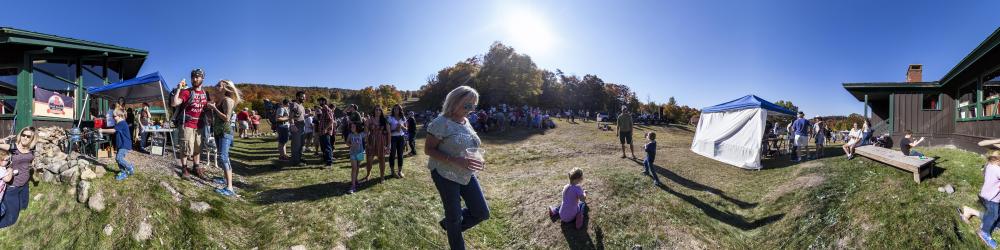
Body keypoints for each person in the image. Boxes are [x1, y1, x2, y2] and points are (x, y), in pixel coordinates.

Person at [425, 86, 489, 250]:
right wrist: (455, 160)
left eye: (474, 106)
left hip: (466, 173)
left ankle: (450, 225)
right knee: (455, 217)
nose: (471, 110)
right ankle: (455, 235)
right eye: (467, 105)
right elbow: (428, 150)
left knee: (481, 212)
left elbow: (471, 145)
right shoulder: (441, 123)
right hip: (444, 173)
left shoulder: (466, 121)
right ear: (454, 101)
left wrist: (478, 159)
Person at [171, 69, 210, 179]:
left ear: (203, 78)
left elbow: (207, 108)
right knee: (185, 147)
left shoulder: (205, 93)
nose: (195, 79)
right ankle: (184, 168)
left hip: (200, 125)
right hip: (187, 124)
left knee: (197, 147)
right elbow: (174, 103)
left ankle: (196, 167)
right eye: (193, 77)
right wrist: (179, 89)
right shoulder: (187, 92)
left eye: (197, 77)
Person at [205, 79, 241, 197]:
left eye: (219, 85)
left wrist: (214, 108)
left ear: (226, 88)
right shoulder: (220, 100)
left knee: (224, 157)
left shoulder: (227, 100)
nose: (216, 86)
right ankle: (225, 179)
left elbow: (227, 118)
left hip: (225, 132)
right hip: (218, 132)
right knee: (222, 157)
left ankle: (229, 188)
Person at [0, 127, 35, 228]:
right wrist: (2, 140)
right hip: (12, 187)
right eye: (23, 135)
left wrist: (33, 166)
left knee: (23, 208)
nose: (25, 138)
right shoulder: (12, 147)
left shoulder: (32, 149)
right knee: (11, 220)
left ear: (32, 139)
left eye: (28, 136)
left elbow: (30, 160)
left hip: (25, 185)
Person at [98, 109, 135, 181]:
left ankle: (130, 167)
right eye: (112, 116)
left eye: (114, 116)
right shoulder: (118, 124)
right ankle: (123, 172)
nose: (112, 117)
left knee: (119, 158)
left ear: (120, 116)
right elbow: (113, 130)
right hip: (121, 144)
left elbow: (113, 130)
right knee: (118, 159)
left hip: (125, 145)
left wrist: (102, 130)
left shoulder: (122, 123)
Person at [979, 156, 1000, 248]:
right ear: (997, 160)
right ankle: (984, 232)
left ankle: (995, 225)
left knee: (995, 213)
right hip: (993, 198)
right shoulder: (997, 169)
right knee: (993, 215)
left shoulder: (990, 166)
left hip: (989, 195)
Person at [364, 105, 390, 180]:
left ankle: (382, 176)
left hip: (381, 141)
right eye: (376, 109)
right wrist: (367, 143)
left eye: (379, 110)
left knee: (381, 159)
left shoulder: (384, 120)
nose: (378, 111)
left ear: (381, 111)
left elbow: (388, 133)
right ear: (374, 111)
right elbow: (366, 133)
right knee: (369, 160)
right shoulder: (369, 120)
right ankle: (368, 173)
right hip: (371, 141)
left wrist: (388, 145)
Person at [388, 104, 408, 178]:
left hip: (401, 138)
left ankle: (400, 171)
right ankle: (392, 171)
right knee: (392, 155)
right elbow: (388, 131)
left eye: (398, 109)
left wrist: (402, 126)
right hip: (393, 138)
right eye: (395, 109)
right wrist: (395, 129)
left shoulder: (403, 118)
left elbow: (406, 129)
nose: (396, 110)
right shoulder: (390, 118)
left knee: (400, 154)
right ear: (393, 110)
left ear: (400, 110)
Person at [315, 98, 336, 167]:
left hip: (326, 132)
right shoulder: (322, 110)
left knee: (327, 147)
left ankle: (329, 162)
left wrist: (325, 129)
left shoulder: (327, 109)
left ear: (324, 102)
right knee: (323, 147)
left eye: (320, 101)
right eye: (319, 101)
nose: (319, 102)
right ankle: (325, 160)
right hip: (322, 132)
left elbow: (331, 121)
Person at [347, 122, 366, 194]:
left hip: (360, 153)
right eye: (351, 127)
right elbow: (347, 142)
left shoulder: (361, 134)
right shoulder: (350, 135)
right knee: (354, 168)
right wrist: (351, 145)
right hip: (353, 153)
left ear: (357, 127)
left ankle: (356, 180)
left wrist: (366, 122)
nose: (352, 128)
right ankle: (353, 186)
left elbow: (367, 131)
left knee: (358, 167)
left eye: (353, 127)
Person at [289, 91, 307, 166]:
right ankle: (295, 161)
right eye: (302, 97)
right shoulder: (294, 104)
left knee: (301, 144)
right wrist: (292, 125)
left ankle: (298, 158)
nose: (304, 98)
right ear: (297, 97)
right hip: (296, 126)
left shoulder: (301, 106)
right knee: (296, 145)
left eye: (304, 97)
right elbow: (291, 116)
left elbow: (301, 116)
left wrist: (309, 115)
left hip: (302, 126)